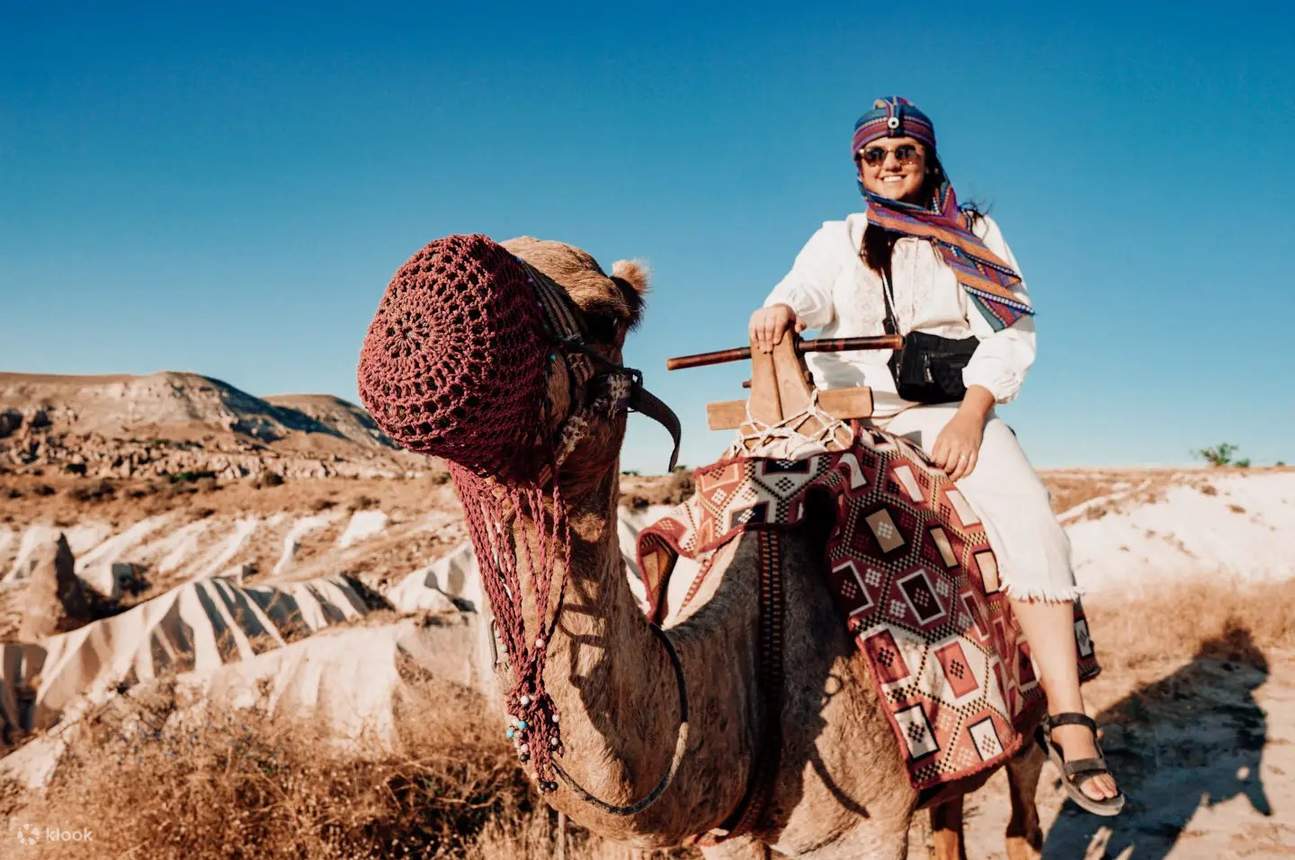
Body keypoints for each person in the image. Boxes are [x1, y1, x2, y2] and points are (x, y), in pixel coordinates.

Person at [748, 97, 1123, 815]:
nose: (889, 165)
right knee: (753, 512)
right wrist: (780, 311)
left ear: (926, 158)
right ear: (857, 165)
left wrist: (974, 419)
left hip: (948, 412)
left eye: (903, 153)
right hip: (842, 415)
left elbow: (1009, 332)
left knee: (1029, 520)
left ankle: (1070, 721)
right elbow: (801, 291)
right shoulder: (836, 237)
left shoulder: (970, 233)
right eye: (874, 156)